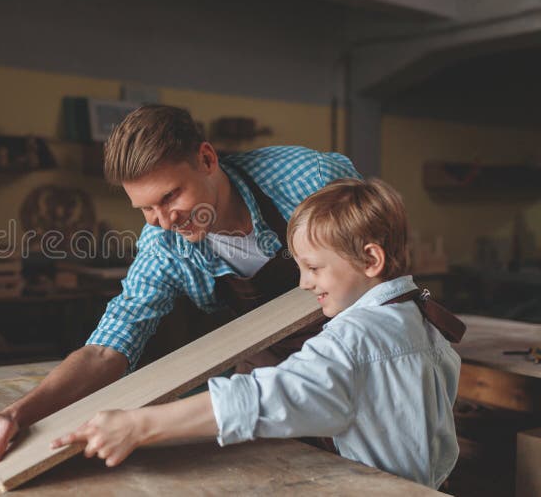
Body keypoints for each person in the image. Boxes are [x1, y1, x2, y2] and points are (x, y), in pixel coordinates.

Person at [0, 105, 360, 475]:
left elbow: (382, 270)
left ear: (207, 159)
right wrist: (13, 415)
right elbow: (107, 348)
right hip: (270, 376)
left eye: (171, 196)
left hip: (361, 357)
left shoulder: (310, 181)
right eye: (146, 208)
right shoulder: (163, 245)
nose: (165, 219)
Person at [51, 177, 464, 489]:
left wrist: (136, 425)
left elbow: (261, 398)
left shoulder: (355, 340)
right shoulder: (419, 318)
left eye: (315, 268)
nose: (303, 283)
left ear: (371, 260)